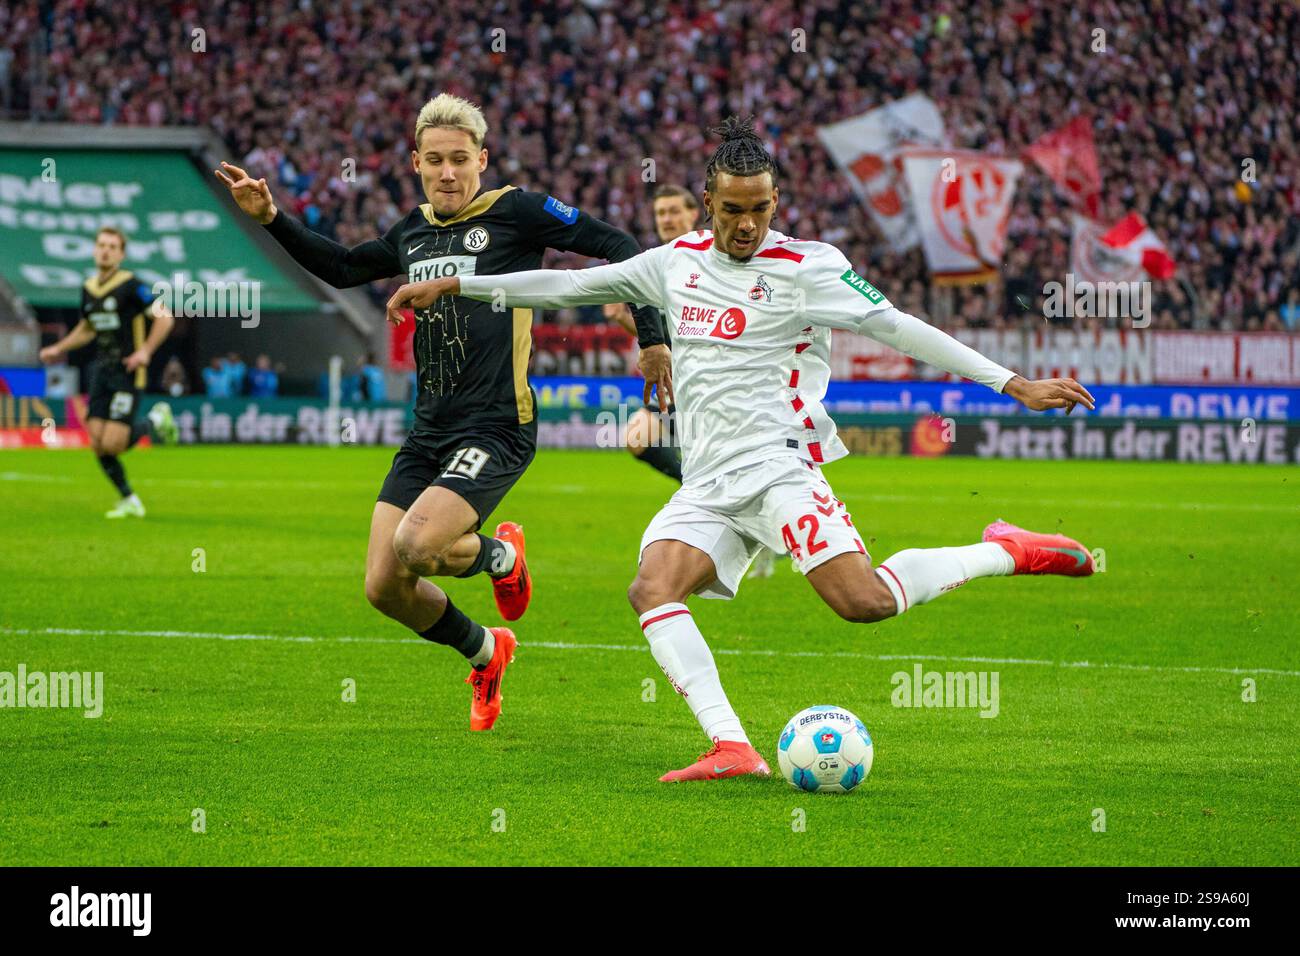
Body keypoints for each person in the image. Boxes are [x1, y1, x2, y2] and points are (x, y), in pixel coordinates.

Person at [387, 117, 1098, 779]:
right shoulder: (675, 262)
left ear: (775, 200)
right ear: (708, 201)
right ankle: (732, 745)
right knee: (652, 589)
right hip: (708, 480)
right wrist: (463, 285)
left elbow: (901, 328)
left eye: (760, 208)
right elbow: (569, 284)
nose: (747, 224)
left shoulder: (808, 267)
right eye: (732, 210)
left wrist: (1014, 384)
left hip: (778, 467)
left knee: (866, 603)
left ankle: (1007, 547)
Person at [215, 92, 666, 731]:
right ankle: (485, 649)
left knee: (418, 547)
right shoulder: (413, 230)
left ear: (482, 160)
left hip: (497, 425)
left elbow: (618, 244)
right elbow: (343, 268)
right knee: (383, 588)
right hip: (428, 431)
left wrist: (651, 336)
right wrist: (271, 218)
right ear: (417, 164)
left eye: (460, 159)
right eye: (435, 161)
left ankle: (502, 558)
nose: (447, 172)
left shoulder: (520, 212)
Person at [39, 227, 178, 517]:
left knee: (113, 443)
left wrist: (145, 352)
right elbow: (87, 328)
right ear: (94, 250)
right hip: (102, 370)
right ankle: (129, 499)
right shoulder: (89, 288)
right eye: (101, 245)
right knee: (98, 444)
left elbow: (164, 318)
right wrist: (59, 348)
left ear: (121, 254)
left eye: (112, 246)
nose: (105, 250)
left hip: (128, 372)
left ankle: (155, 418)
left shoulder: (131, 285)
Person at [603, 184, 699, 484]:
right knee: (637, 436)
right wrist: (622, 318)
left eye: (674, 211)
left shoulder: (708, 257)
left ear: (694, 213)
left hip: (710, 375)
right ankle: (695, 487)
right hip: (676, 380)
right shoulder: (652, 264)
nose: (666, 219)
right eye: (660, 213)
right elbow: (662, 334)